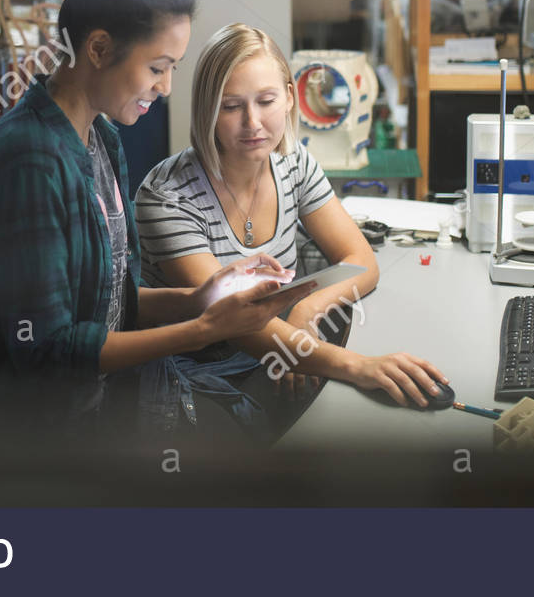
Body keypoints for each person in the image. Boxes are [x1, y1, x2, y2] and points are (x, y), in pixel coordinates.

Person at [0, 0, 313, 435]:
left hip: (90, 417)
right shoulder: (29, 162)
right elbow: (48, 350)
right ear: (97, 48)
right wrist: (202, 328)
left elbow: (111, 302)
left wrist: (203, 297)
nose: (165, 88)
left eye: (172, 69)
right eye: (157, 68)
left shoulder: (100, 137)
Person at [135, 23, 448, 432]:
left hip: (278, 347)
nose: (253, 123)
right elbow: (232, 320)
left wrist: (305, 310)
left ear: (289, 96)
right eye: (231, 106)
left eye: (266, 101)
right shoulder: (167, 195)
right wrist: (355, 366)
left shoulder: (294, 163)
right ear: (207, 111)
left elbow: (361, 261)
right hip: (190, 377)